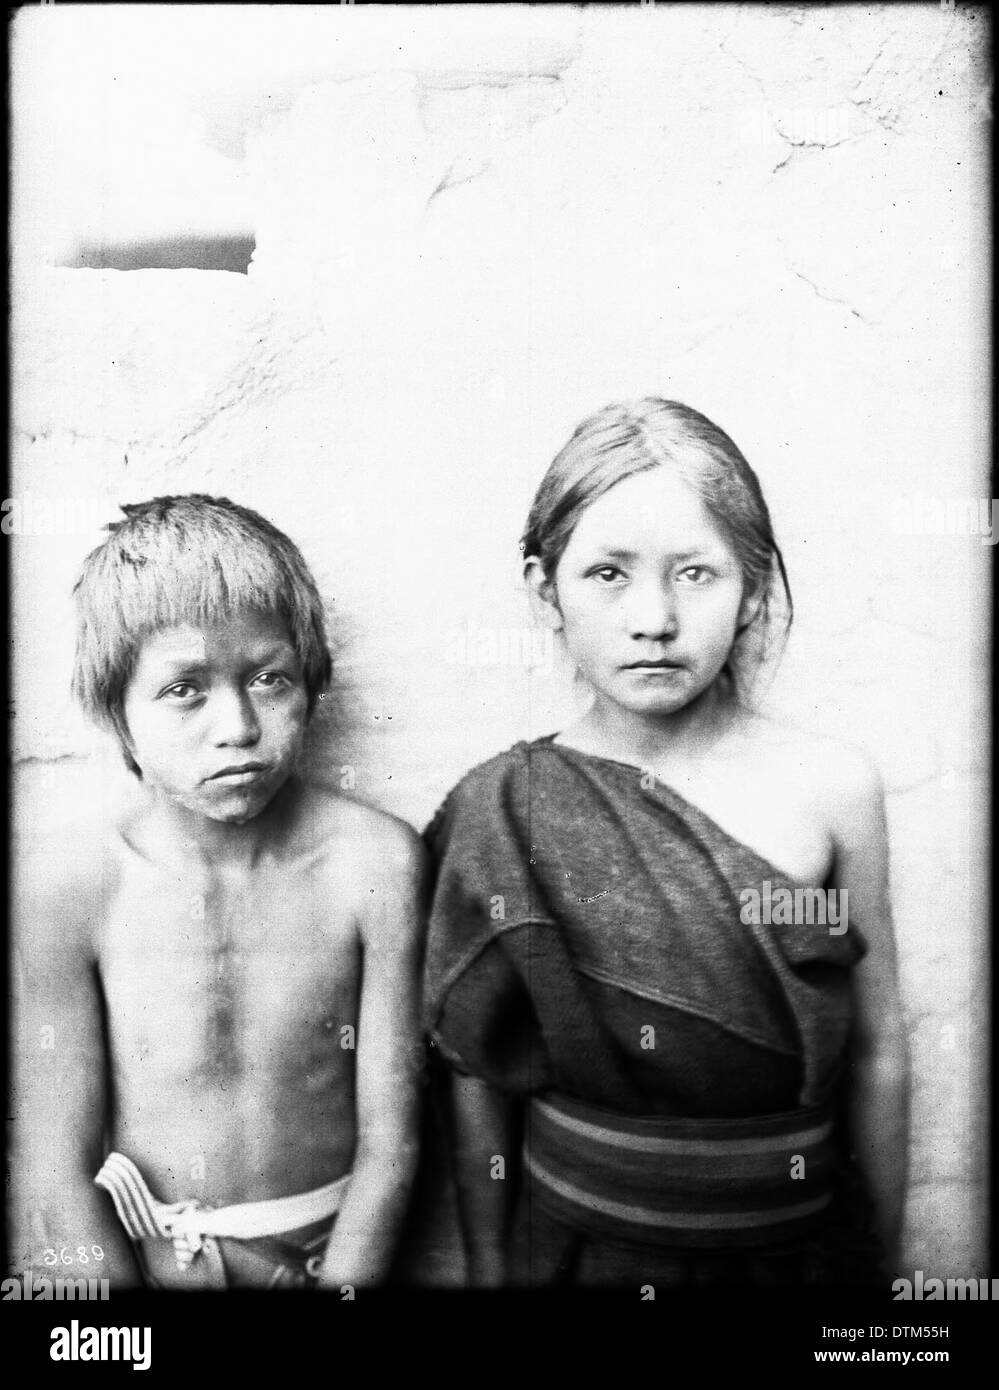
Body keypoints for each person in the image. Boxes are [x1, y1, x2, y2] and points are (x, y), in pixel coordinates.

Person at [424, 399, 909, 1288]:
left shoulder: (832, 788)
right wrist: (492, 1269)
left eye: (695, 573)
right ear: (544, 592)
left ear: (753, 588)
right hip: (577, 1258)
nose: (653, 617)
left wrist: (881, 1273)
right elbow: (477, 1069)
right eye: (608, 574)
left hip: (796, 1253)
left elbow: (878, 1047)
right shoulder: (509, 805)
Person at [12, 494, 427, 1290]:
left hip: (327, 1264)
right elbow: (55, 1167)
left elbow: (392, 1147)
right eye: (185, 690)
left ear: (312, 680)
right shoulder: (70, 887)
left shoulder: (376, 865)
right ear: (116, 712)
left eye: (269, 679)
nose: (237, 724)